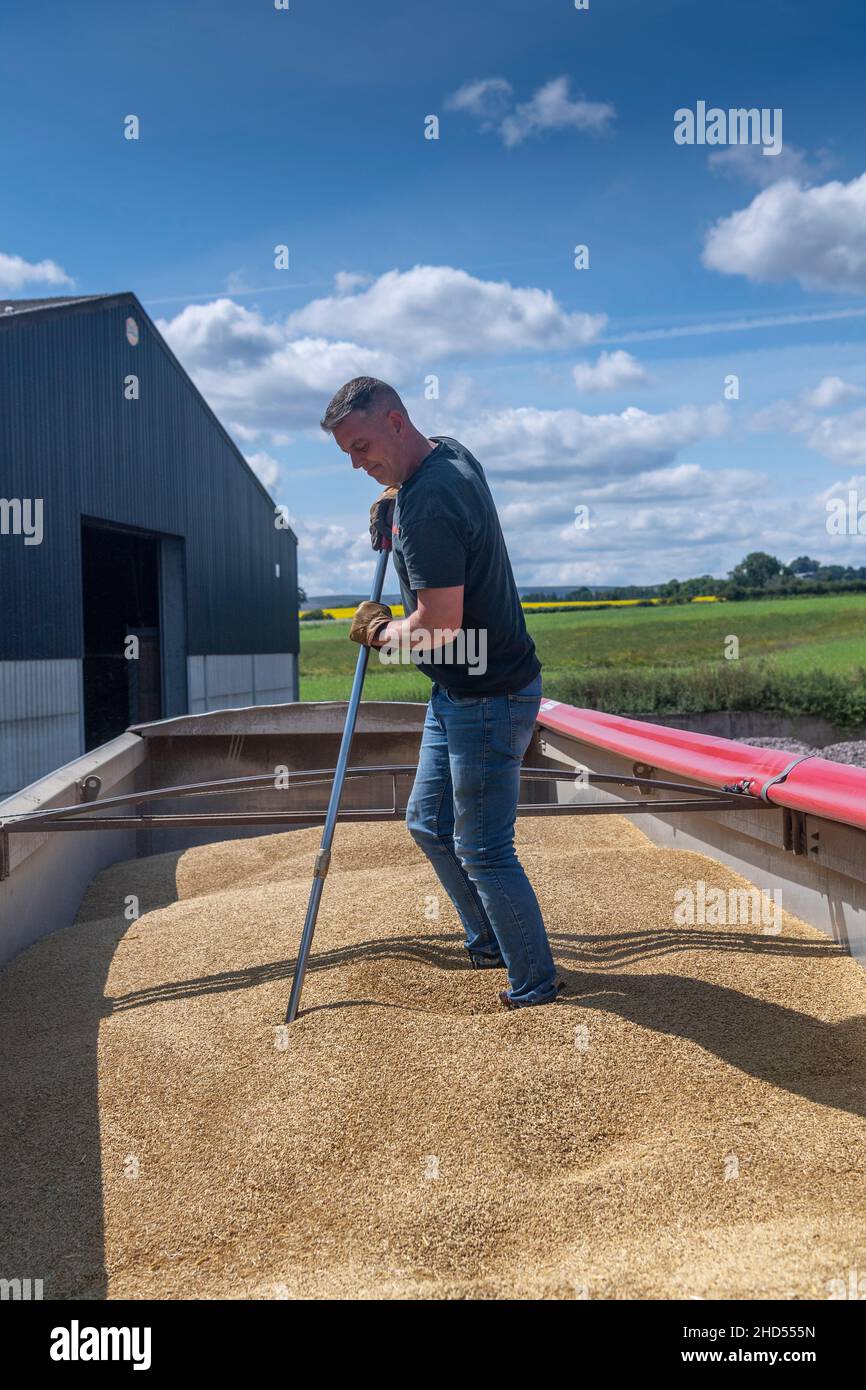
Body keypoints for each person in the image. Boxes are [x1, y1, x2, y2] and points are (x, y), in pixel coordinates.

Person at [320, 376, 563, 1009]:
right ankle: (489, 940)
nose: (356, 463)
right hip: (460, 690)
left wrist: (377, 633)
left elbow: (436, 629)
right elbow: (417, 490)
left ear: (397, 422)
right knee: (429, 824)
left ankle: (535, 983)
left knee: (483, 847)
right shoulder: (450, 454)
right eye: (347, 452)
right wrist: (393, 502)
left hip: (489, 694)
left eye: (363, 445)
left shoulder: (429, 505)